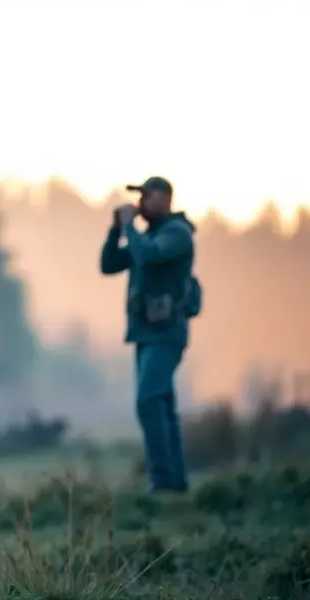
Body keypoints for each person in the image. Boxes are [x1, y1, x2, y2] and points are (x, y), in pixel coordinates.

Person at [100, 176, 201, 493]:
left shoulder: (177, 234)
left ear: (166, 199)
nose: (142, 202)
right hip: (145, 333)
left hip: (167, 332)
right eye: (140, 197)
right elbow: (108, 264)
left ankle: (161, 480)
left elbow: (148, 255)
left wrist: (130, 228)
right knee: (162, 405)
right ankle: (176, 481)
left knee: (147, 400)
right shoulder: (147, 236)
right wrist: (116, 230)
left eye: (148, 195)